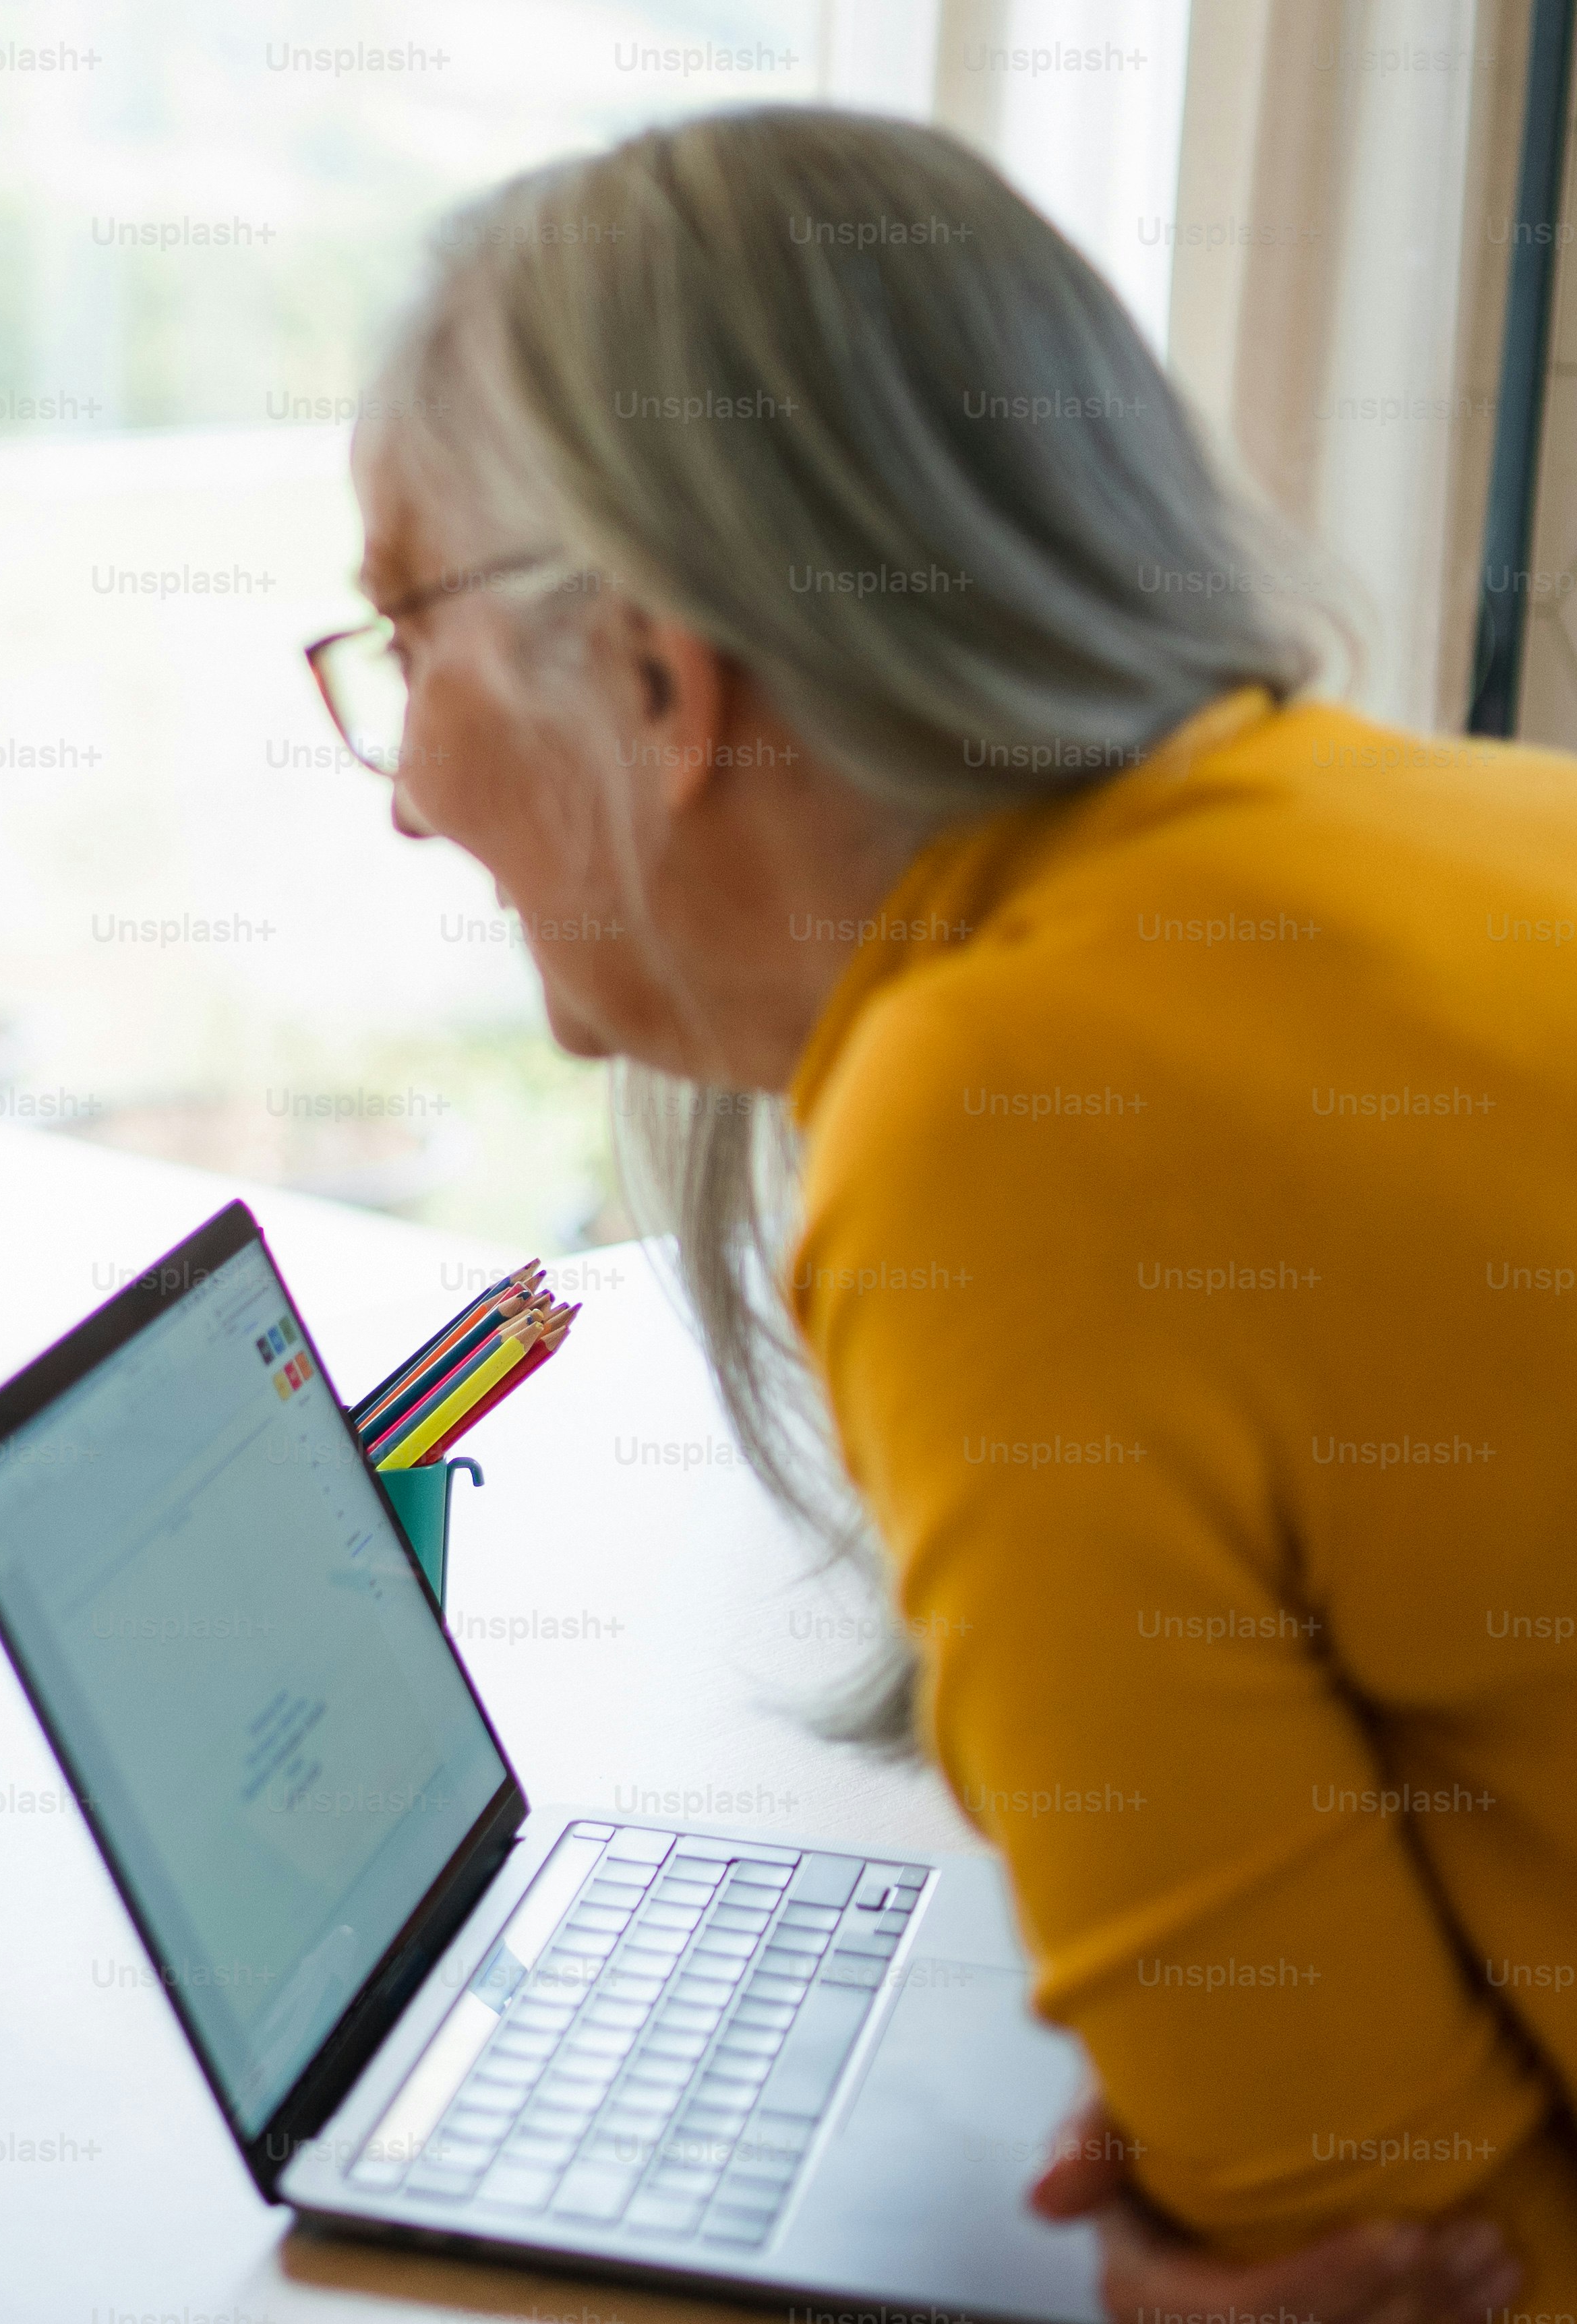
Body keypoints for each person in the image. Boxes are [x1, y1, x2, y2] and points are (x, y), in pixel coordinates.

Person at [309, 106, 1571, 2322]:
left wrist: (1185, 2250)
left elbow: (1395, 2255)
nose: (400, 792)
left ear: (657, 683)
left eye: (395, 628)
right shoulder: (1448, 829)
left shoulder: (998, 1110)